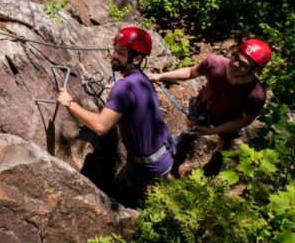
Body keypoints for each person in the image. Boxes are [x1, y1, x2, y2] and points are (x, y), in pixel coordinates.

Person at [57, 27, 173, 206]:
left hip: (148, 168)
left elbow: (101, 127)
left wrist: (69, 103)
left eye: (121, 52)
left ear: (137, 58)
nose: (114, 56)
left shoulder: (124, 87)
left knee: (139, 211)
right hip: (160, 156)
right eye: (115, 50)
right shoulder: (141, 79)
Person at [146, 38, 269, 176]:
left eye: (243, 64)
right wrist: (160, 76)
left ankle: (218, 158)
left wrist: (214, 131)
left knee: (226, 141)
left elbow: (244, 120)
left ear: (255, 69)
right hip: (203, 106)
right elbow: (191, 72)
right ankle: (185, 141)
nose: (235, 63)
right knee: (192, 125)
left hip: (229, 118)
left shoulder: (256, 94)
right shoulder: (215, 63)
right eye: (235, 56)